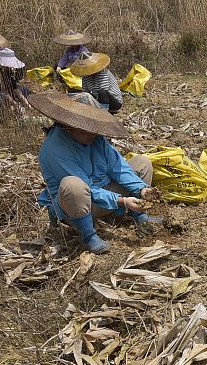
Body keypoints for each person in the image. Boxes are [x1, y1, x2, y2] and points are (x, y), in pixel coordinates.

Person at [28, 92, 161, 254]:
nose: (91, 134)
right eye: (85, 129)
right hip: (77, 207)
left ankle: (138, 215)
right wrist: (122, 201)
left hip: (107, 197)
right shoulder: (54, 149)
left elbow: (118, 167)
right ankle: (88, 235)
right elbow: (88, 188)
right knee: (73, 185)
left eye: (93, 128)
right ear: (69, 125)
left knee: (142, 163)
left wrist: (142, 190)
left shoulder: (96, 139)